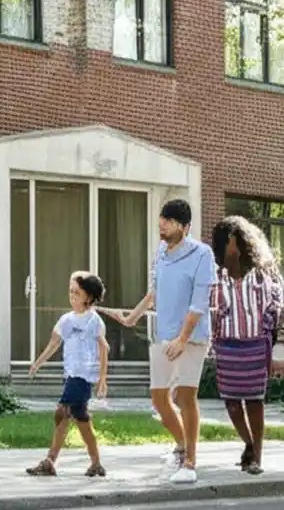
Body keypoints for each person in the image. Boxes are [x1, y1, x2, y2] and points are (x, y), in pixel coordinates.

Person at [97, 199, 213, 484]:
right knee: (159, 399)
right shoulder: (160, 252)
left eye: (169, 221)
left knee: (185, 396)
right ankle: (182, 445)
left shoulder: (202, 254)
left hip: (192, 338)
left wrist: (182, 339)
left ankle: (190, 462)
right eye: (162, 220)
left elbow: (199, 303)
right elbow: (154, 292)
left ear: (185, 227)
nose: (162, 226)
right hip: (163, 335)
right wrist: (131, 318)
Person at [209, 216, 284, 475]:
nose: (232, 247)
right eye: (227, 241)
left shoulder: (262, 273)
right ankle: (248, 443)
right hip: (227, 346)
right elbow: (210, 310)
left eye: (235, 240)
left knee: (254, 401)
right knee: (231, 403)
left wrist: (268, 330)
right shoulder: (216, 276)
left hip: (255, 344)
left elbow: (277, 302)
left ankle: (257, 457)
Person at [26, 271, 110, 478]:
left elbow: (104, 348)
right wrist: (37, 363)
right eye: (70, 292)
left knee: (62, 412)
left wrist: (102, 379)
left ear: (88, 297)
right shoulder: (66, 320)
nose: (72, 296)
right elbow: (54, 343)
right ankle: (96, 463)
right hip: (70, 375)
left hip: (83, 377)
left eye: (77, 293)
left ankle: (50, 461)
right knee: (81, 419)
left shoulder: (94, 321)